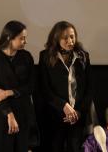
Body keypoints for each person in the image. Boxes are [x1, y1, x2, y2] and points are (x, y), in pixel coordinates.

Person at [38, 21, 92, 152]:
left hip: (77, 115)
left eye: (72, 36)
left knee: (75, 147)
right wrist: (63, 106)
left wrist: (78, 112)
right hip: (55, 115)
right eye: (65, 37)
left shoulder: (83, 56)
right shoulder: (45, 56)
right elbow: (44, 88)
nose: (70, 40)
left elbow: (89, 88)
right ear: (56, 38)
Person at [0, 20, 36, 152]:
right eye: (22, 38)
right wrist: (9, 115)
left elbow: (31, 86)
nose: (25, 41)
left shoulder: (26, 57)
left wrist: (9, 92)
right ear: (9, 38)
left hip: (23, 116)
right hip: (1, 116)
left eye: (25, 38)